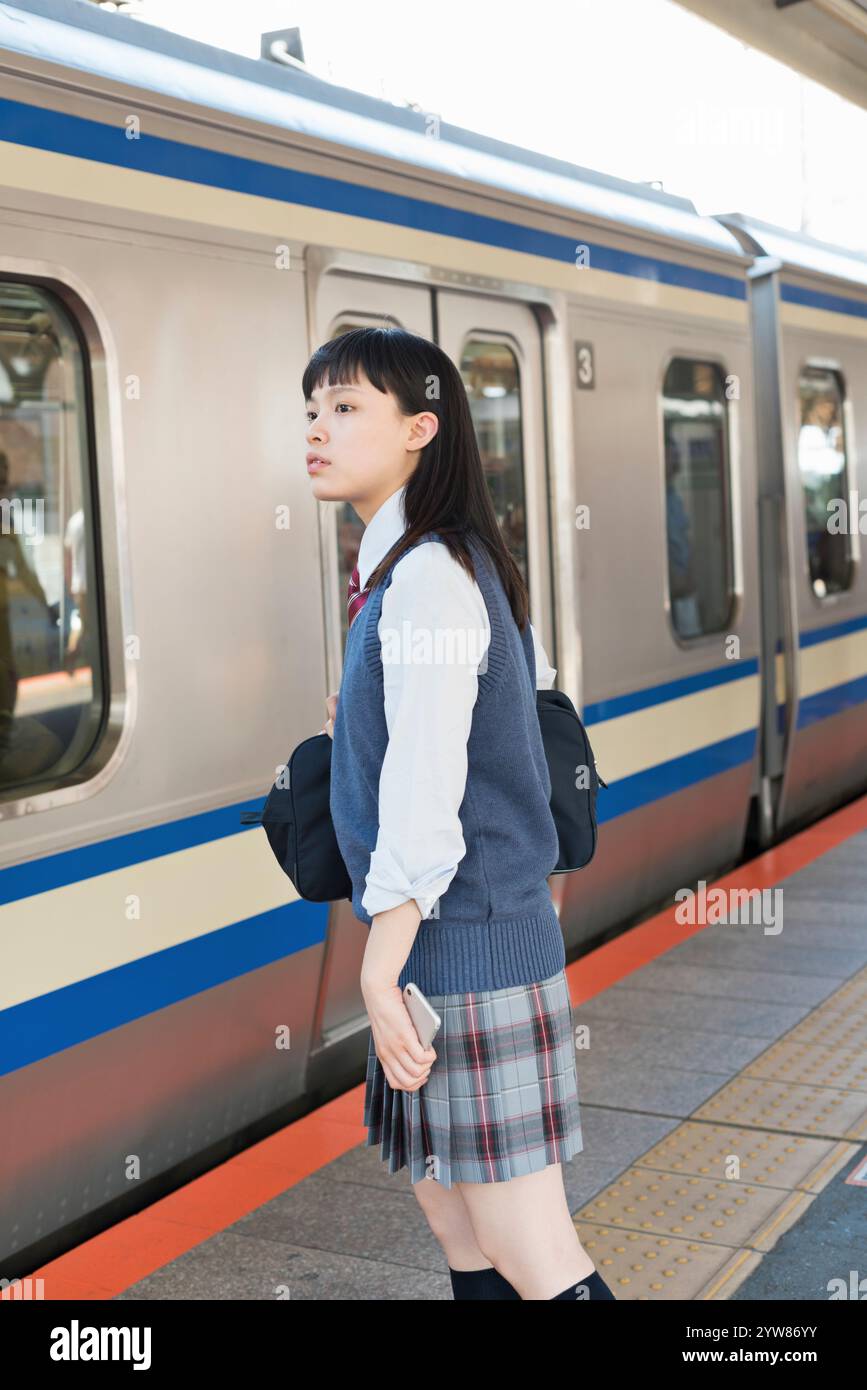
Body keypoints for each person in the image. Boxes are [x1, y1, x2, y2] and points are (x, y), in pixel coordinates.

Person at [304, 326, 615, 1302]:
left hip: (467, 952)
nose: (317, 428)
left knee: (532, 1248)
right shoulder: (414, 566)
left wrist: (379, 957)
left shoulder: (431, 574)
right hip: (451, 952)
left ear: (419, 429)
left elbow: (431, 788)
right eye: (312, 409)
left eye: (346, 407)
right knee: (458, 1223)